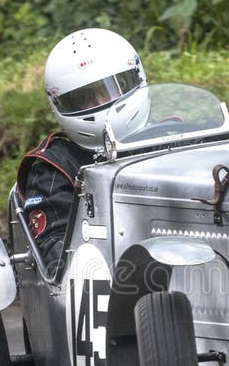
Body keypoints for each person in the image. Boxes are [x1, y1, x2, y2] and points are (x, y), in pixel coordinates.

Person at [16, 28, 147, 278]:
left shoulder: (172, 134)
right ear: (60, 104)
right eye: (84, 98)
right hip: (108, 282)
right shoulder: (53, 165)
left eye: (111, 88)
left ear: (136, 78)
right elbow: (55, 251)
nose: (100, 103)